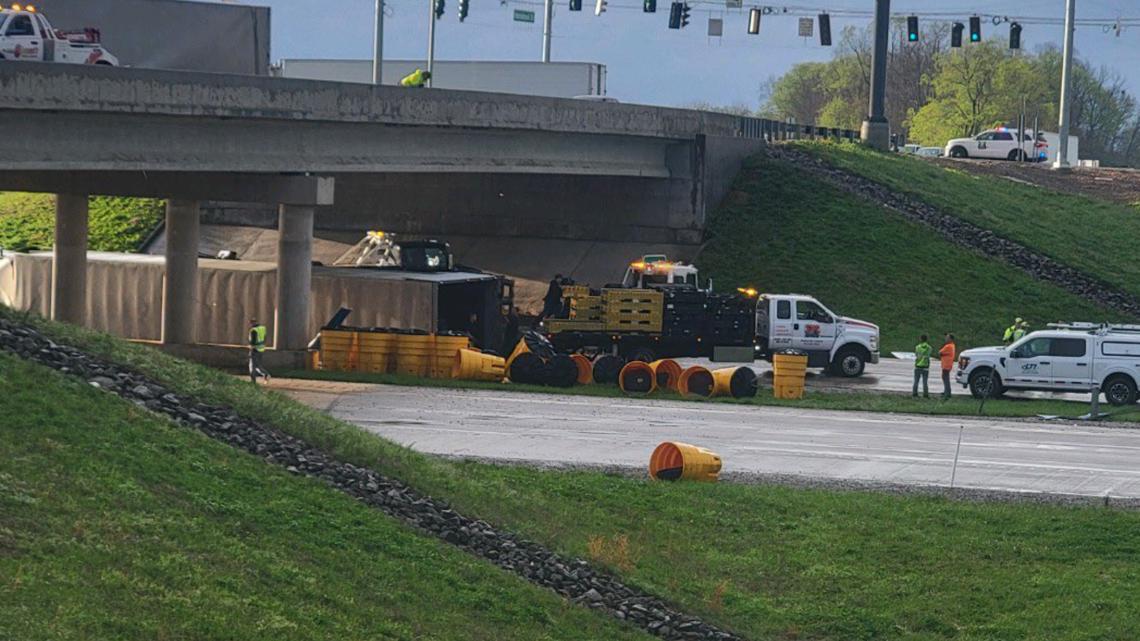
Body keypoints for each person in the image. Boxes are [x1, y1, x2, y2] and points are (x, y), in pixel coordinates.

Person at [248, 318, 270, 384]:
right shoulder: (263, 328)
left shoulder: (253, 330)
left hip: (255, 350)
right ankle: (266, 374)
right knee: (258, 365)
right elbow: (265, 338)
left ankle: (253, 382)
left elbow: (253, 342)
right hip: (261, 349)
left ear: (251, 323)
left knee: (252, 366)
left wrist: (250, 349)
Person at [913, 334, 932, 398]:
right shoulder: (929, 348)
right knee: (925, 382)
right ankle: (925, 394)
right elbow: (929, 355)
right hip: (925, 366)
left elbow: (916, 355)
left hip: (918, 365)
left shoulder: (917, 347)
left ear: (921, 339)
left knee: (916, 381)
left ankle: (915, 393)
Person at [939, 333, 957, 400]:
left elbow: (940, 352)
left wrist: (941, 354)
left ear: (951, 339)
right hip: (948, 364)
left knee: (945, 378)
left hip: (946, 364)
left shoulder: (948, 346)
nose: (946, 339)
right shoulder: (952, 345)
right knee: (945, 378)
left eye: (947, 338)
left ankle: (947, 392)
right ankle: (947, 391)